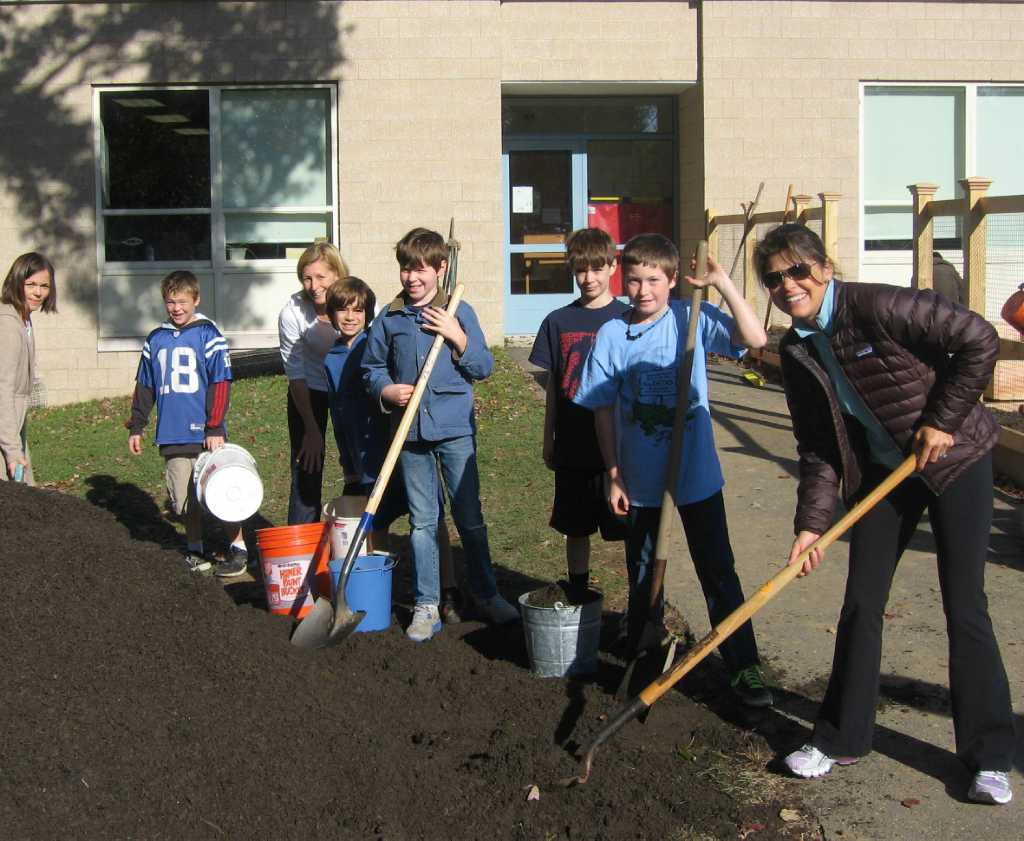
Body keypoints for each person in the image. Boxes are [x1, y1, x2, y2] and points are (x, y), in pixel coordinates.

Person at [758, 223, 1014, 805]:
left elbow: (978, 338)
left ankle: (991, 755)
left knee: (964, 603)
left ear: (824, 266)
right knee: (862, 600)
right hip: (884, 475)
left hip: (955, 459)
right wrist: (811, 525)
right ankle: (840, 736)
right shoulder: (796, 350)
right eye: (774, 278)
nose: (787, 284)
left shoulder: (876, 304)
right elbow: (820, 446)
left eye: (797, 270)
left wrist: (943, 420)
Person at [574, 233, 773, 707]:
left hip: (696, 475)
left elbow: (756, 338)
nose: (643, 291)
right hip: (641, 481)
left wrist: (722, 283)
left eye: (654, 281)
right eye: (635, 280)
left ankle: (744, 665)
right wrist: (614, 473)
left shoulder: (690, 317)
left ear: (671, 281)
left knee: (718, 570)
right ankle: (644, 657)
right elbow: (602, 410)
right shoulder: (612, 334)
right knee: (643, 574)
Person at [362, 227, 519, 642]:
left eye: (420, 270)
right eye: (405, 270)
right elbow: (371, 366)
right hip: (410, 436)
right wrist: (386, 389)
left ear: (440, 268)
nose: (411, 278)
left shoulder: (458, 310)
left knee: (469, 518)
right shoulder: (391, 317)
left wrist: (456, 335)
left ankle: (487, 594)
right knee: (423, 522)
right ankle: (426, 604)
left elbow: (482, 367)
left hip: (453, 433)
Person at [322, 277, 462, 622]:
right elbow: (338, 413)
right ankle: (382, 585)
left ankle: (448, 588)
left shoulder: (376, 343)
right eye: (342, 310)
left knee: (428, 518)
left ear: (369, 313)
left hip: (403, 448)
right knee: (377, 521)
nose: (350, 317)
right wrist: (347, 461)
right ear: (331, 314)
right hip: (365, 457)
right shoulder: (332, 359)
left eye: (358, 310)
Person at [528, 227, 630, 598]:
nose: (589, 278)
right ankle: (578, 590)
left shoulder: (628, 318)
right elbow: (553, 387)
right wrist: (548, 438)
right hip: (573, 441)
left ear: (612, 267)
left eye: (596, 269)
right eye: (581, 271)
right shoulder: (558, 322)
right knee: (576, 527)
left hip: (618, 447)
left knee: (626, 525)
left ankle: (639, 607)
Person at [127, 270, 247, 575]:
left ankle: (239, 548)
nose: (176, 308)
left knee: (222, 491)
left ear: (196, 299)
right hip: (172, 432)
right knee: (182, 502)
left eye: (182, 301)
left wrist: (215, 425)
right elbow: (145, 384)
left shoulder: (208, 333)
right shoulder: (156, 338)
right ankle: (195, 549)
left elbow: (220, 381)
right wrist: (137, 425)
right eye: (170, 302)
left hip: (206, 433)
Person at [279, 241, 347, 524]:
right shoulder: (292, 311)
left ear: (337, 275)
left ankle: (355, 539)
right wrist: (311, 428)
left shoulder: (358, 300)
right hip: (309, 390)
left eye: (321, 277)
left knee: (356, 466)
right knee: (307, 465)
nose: (313, 285)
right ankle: (302, 546)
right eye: (307, 278)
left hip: (349, 388)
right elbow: (295, 375)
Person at [0, 252, 57, 485]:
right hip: (5, 431)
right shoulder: (8, 324)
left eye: (44, 286)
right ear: (16, 282)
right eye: (30, 284)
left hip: (14, 427)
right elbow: (2, 389)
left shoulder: (23, 319)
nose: (38, 292)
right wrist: (12, 451)